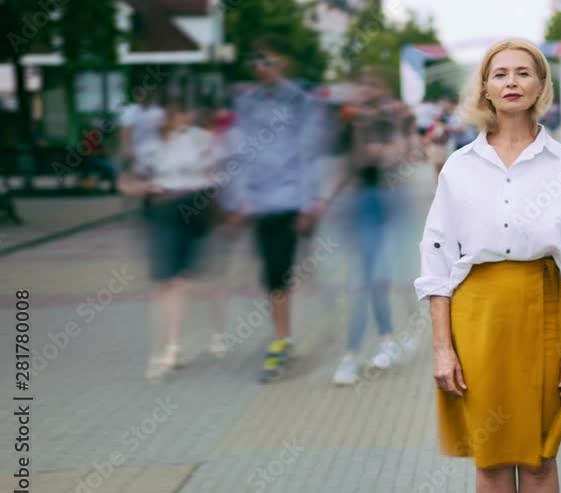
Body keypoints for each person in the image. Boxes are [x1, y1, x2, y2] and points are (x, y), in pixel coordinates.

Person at [415, 38, 561, 493]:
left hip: (545, 312)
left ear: (541, 85)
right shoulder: (459, 167)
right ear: (485, 87)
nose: (511, 82)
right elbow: (437, 260)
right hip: (476, 317)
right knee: (493, 454)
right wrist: (443, 348)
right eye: (499, 73)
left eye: (523, 73)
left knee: (539, 453)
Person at [221, 34, 327, 382]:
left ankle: (281, 341)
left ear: (283, 63)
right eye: (255, 61)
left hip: (289, 198)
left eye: (267, 60)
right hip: (259, 201)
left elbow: (307, 152)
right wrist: (236, 199)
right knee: (270, 275)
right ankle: (283, 336)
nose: (260, 67)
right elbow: (238, 151)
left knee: (277, 272)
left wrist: (310, 201)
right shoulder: (246, 102)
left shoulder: (300, 101)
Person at [119, 99, 220, 381]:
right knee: (167, 282)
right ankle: (173, 345)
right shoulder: (149, 147)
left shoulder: (200, 140)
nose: (169, 118)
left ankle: (178, 343)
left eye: (176, 112)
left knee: (181, 280)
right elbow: (127, 182)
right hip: (161, 210)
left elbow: (219, 171)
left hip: (193, 208)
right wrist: (140, 187)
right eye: (165, 113)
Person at [327, 71, 412, 386]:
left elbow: (397, 154)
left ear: (384, 88)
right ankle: (388, 340)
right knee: (366, 278)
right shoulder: (352, 120)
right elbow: (348, 163)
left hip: (391, 201)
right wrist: (327, 198)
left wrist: (375, 144)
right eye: (362, 85)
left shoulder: (397, 114)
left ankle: (350, 356)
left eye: (372, 84)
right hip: (362, 203)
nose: (366, 91)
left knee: (371, 278)